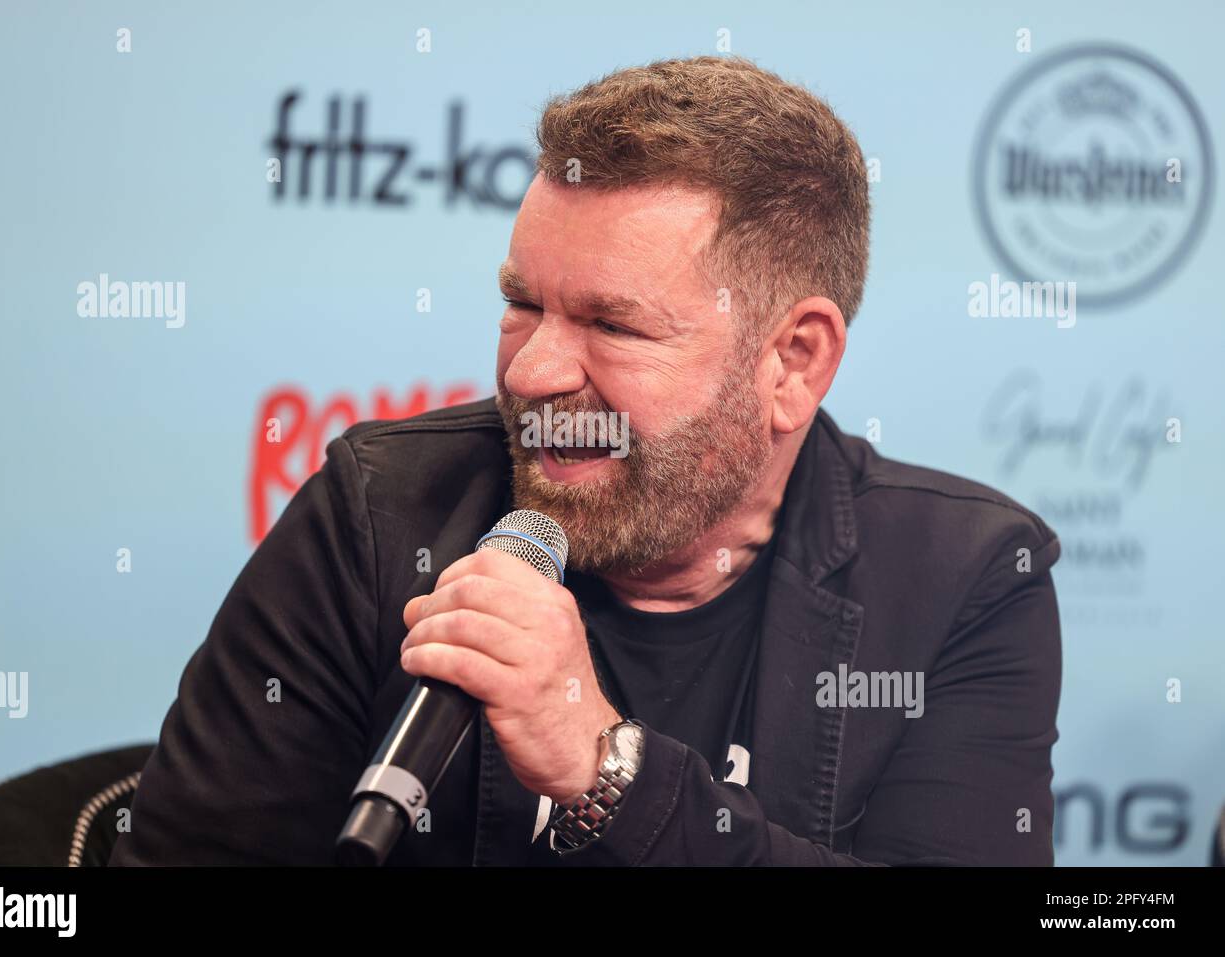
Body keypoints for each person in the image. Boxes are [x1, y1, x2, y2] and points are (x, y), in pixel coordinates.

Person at [110, 55, 1061, 867]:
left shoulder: (963, 579)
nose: (532, 371)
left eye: (612, 323)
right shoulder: (378, 513)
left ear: (792, 361)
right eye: (523, 303)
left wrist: (610, 770)